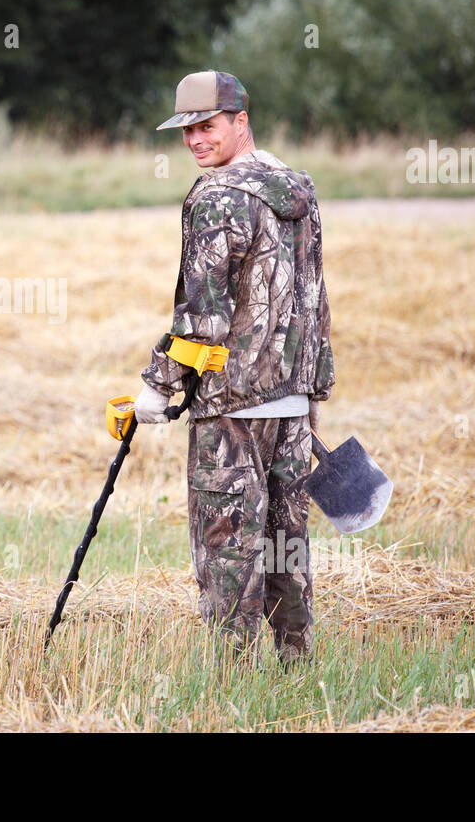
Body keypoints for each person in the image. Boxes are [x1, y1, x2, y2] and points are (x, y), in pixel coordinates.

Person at [134, 70, 334, 668]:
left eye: (207, 126)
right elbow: (313, 296)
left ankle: (234, 680)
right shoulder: (298, 188)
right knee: (285, 547)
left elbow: (203, 319)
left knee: (228, 551)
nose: (196, 140)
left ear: (239, 122)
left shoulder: (217, 197)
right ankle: (297, 668)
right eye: (187, 129)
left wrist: (156, 387)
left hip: (232, 409)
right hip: (294, 404)